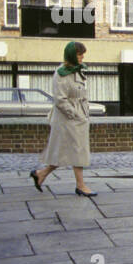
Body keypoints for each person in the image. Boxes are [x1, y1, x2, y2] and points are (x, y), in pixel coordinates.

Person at [29, 41, 96, 198]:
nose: (82, 57)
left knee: (64, 151)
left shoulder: (78, 71)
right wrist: (75, 114)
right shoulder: (61, 72)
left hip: (78, 116)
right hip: (68, 118)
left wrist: (83, 113)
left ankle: (40, 174)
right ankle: (80, 185)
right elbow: (60, 100)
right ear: (72, 55)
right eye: (79, 54)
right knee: (77, 150)